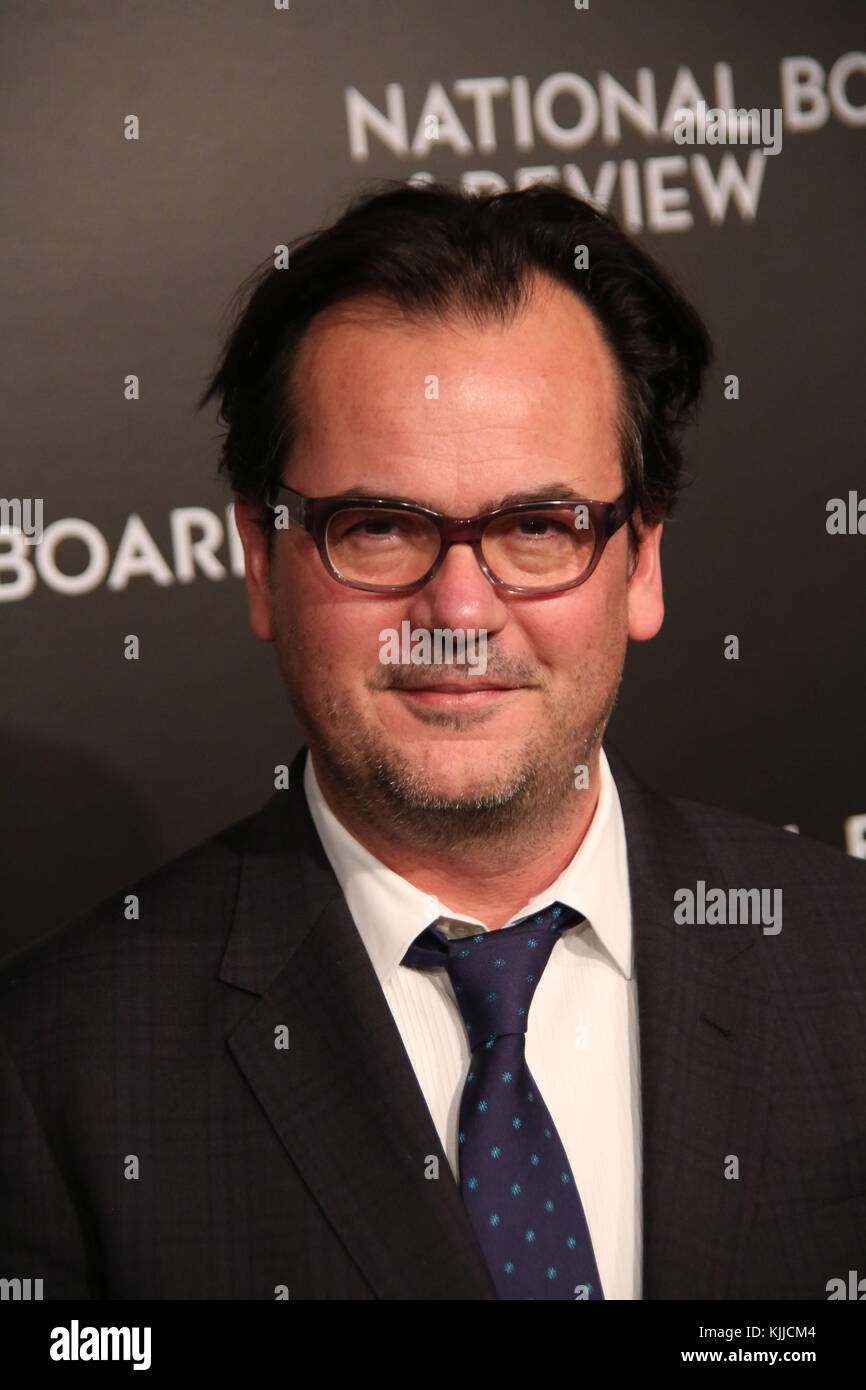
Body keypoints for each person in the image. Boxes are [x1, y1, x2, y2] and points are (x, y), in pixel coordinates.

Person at [1, 182, 863, 1301]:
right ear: (262, 562)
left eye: (535, 528)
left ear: (641, 559)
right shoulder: (51, 1075)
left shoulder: (845, 965)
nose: (458, 611)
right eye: (379, 527)